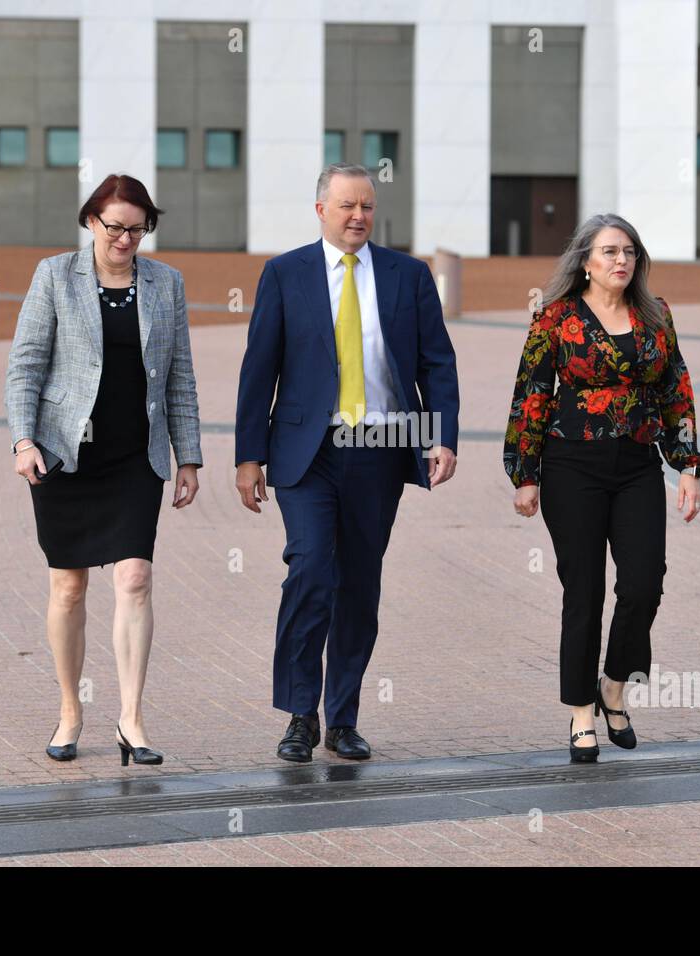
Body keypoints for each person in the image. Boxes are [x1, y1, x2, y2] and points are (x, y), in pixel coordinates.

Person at [234, 162, 460, 762]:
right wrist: (249, 456)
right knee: (310, 571)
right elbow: (260, 368)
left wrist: (440, 437)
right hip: (307, 453)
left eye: (366, 206)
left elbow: (438, 361)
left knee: (359, 585)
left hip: (381, 451)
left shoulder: (408, 276)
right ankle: (299, 715)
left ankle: (342, 719)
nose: (358, 216)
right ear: (320, 211)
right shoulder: (285, 274)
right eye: (346, 206)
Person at [4, 173, 202, 768]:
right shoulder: (54, 276)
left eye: (137, 229)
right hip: (66, 452)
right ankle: (70, 710)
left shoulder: (167, 285)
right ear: (92, 221)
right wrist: (22, 441)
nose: (125, 239)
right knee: (68, 586)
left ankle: (132, 719)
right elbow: (26, 365)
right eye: (115, 226)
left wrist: (188, 455)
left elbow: (180, 376)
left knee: (135, 577)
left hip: (136, 456)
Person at [503, 212, 700, 763]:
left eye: (629, 252)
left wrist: (687, 466)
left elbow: (675, 389)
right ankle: (580, 713)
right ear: (585, 261)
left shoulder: (656, 315)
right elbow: (531, 394)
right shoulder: (556, 318)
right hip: (572, 466)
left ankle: (614, 684)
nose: (621, 261)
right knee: (585, 591)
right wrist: (525, 473)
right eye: (610, 251)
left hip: (638, 465)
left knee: (644, 583)